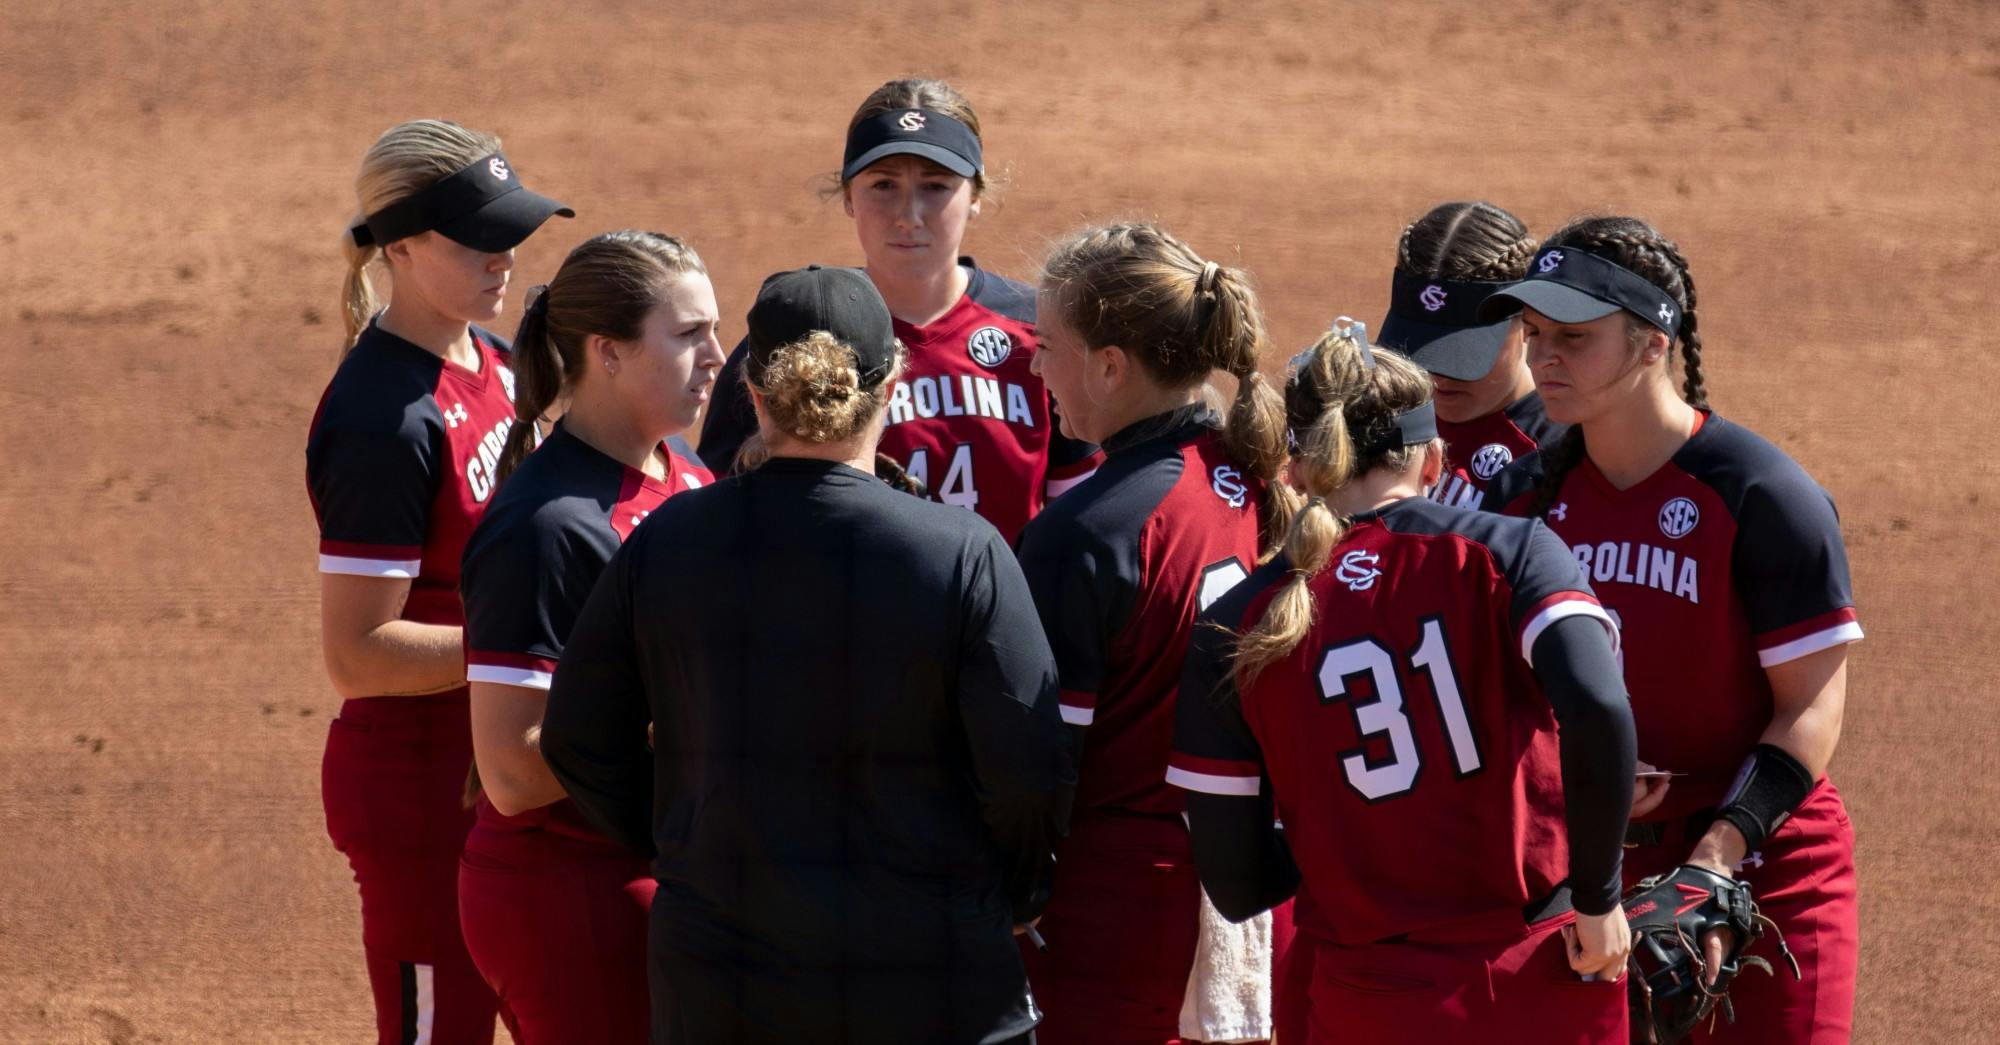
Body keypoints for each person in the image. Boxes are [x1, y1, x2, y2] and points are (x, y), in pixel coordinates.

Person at [540, 265, 1075, 1045]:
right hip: (927, 980)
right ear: (891, 381)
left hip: (722, 982)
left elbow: (577, 739)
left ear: (752, 395)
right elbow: (1029, 767)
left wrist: (685, 841)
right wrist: (1015, 889)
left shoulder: (667, 539)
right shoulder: (963, 551)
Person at [1168, 320, 1636, 1044]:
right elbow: (1601, 705)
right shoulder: (1509, 551)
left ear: (1295, 468)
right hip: (1533, 981)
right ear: (1434, 461)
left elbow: (1236, 884)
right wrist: (1602, 895)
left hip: (1362, 997)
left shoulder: (1236, 620)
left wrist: (1345, 830)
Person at [1482, 216, 1863, 1042]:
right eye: (1534, 333)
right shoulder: (1521, 504)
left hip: (1761, 863)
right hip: (1594, 868)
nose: (1543, 358)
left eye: (1574, 338)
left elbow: (1811, 709)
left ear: (1653, 342)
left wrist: (1715, 857)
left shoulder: (1763, 496)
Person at [306, 118, 572, 1044]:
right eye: (477, 238)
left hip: (495, 766)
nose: (505, 257)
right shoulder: (385, 416)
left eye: (511, 232)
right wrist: (525, 660)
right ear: (405, 247)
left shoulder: (495, 368)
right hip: (417, 787)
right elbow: (356, 652)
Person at [1015, 221, 1299, 1044]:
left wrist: (1013, 893)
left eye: (1047, 345)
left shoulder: (1089, 529)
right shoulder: (1247, 474)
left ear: (1110, 367)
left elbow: (1043, 768)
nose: (1035, 365)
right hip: (1234, 879)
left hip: (1114, 912)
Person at [456, 231, 721, 1043]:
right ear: (606, 351)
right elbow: (508, 770)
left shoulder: (685, 475)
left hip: (650, 866)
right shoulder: (546, 528)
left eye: (713, 330)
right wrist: (697, 727)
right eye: (688, 336)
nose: (717, 356)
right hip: (568, 887)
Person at [698, 77, 1099, 543]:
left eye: (936, 186)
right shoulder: (792, 332)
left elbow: (1080, 511)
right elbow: (723, 512)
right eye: (883, 185)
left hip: (1004, 608)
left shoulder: (1041, 331)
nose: (909, 214)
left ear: (976, 198)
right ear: (848, 196)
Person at [1376, 201, 1564, 511]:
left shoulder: (1558, 451)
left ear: (1528, 319)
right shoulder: (1379, 413)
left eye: (1463, 354)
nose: (1440, 376)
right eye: (1420, 348)